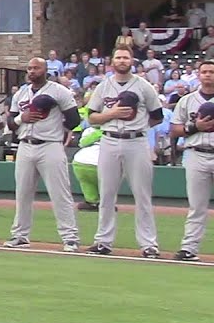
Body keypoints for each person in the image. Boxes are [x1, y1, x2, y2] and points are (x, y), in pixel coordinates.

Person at [85, 47, 164, 257]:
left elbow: (157, 116)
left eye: (125, 57)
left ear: (132, 61)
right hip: (109, 140)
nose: (122, 60)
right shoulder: (103, 86)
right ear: (112, 61)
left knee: (142, 195)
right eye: (118, 57)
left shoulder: (144, 85)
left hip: (136, 141)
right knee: (107, 194)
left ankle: (148, 244)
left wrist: (139, 125)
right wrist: (111, 114)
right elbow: (91, 117)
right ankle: (103, 241)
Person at [5, 57, 82, 251]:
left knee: (60, 194)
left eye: (36, 68)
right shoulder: (21, 93)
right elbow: (11, 124)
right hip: (25, 144)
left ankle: (70, 237)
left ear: (45, 70)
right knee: (22, 194)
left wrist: (55, 126)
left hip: (50, 145)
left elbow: (73, 120)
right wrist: (23, 117)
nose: (32, 71)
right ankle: (20, 235)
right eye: (29, 68)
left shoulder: (59, 91)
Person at [169, 60, 214, 261]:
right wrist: (194, 127)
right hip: (196, 152)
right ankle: (189, 248)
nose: (208, 75)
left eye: (212, 72)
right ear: (198, 74)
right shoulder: (187, 100)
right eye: (204, 72)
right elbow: (174, 129)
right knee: (197, 206)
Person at [72, 125, 103, 211]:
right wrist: (99, 133)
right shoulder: (90, 130)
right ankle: (98, 202)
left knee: (88, 183)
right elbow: (82, 142)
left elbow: (82, 143)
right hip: (96, 162)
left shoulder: (89, 130)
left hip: (81, 161)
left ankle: (92, 201)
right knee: (107, 185)